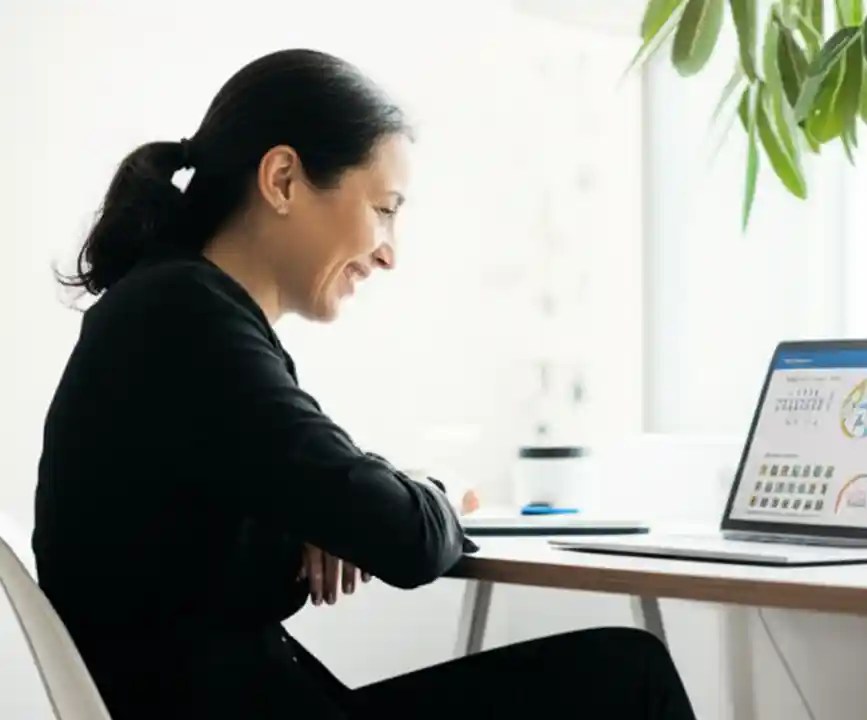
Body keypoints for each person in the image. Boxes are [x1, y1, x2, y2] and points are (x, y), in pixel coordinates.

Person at [34, 48, 696, 720]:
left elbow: (319, 500)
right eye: (383, 209)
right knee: (627, 676)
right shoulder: (187, 319)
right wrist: (433, 494)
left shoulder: (170, 310)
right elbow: (405, 538)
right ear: (284, 179)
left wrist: (326, 513)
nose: (389, 250)